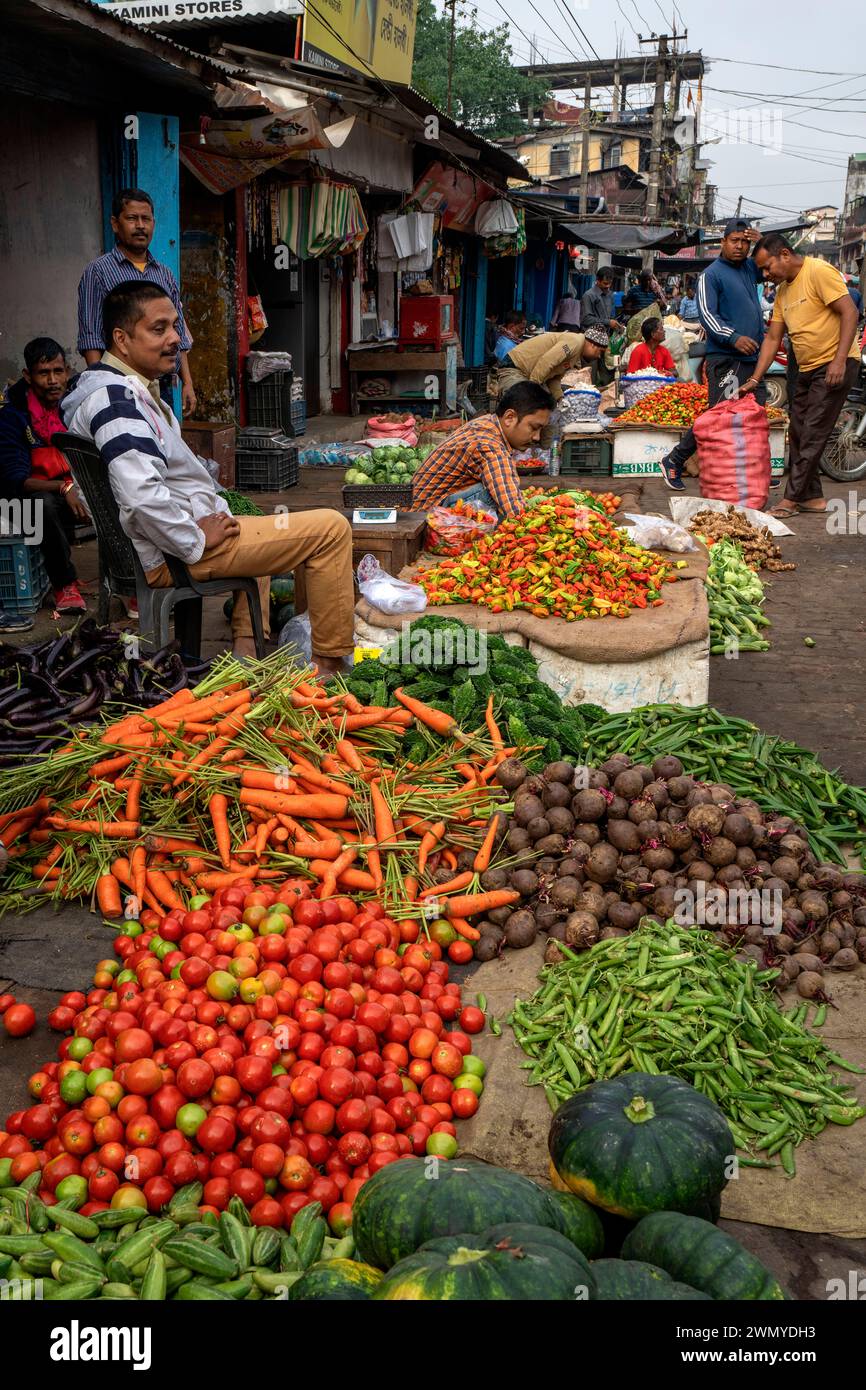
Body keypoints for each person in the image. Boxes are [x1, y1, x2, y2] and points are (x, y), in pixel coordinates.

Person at [63, 282, 354, 668]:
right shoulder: (116, 402)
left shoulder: (116, 391)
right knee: (331, 529)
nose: (175, 339)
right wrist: (196, 538)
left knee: (262, 523)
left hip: (167, 539)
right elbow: (140, 496)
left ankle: (247, 649)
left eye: (174, 327)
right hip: (173, 551)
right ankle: (329, 669)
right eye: (159, 329)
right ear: (122, 338)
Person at [747, 234, 860, 517]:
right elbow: (773, 338)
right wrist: (755, 379)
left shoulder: (818, 271)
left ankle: (790, 499)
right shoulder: (784, 291)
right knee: (797, 431)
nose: (766, 274)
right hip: (807, 367)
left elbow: (850, 313)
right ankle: (813, 497)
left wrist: (838, 361)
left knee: (812, 432)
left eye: (767, 266)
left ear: (785, 254)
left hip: (835, 364)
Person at [658, 218, 767, 490]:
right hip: (726, 358)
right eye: (735, 241)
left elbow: (770, 265)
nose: (740, 246)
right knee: (717, 415)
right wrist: (733, 337)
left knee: (755, 413)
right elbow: (707, 315)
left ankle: (751, 467)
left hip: (753, 360)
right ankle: (675, 459)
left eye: (745, 241)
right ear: (723, 242)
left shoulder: (749, 269)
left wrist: (762, 241)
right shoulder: (712, 274)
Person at [78, 189, 196, 416]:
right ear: (115, 223)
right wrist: (100, 387)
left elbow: (178, 332)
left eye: (146, 219)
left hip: (162, 384)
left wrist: (187, 382)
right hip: (122, 384)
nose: (140, 225)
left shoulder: (165, 275)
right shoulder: (98, 272)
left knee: (165, 444)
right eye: (132, 218)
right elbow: (91, 338)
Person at [0, 337, 89, 613]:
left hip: (69, 491)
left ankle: (129, 584)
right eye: (43, 373)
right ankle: (64, 585)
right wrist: (63, 488)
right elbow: (16, 481)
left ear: (68, 371)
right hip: (17, 505)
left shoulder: (73, 407)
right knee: (42, 504)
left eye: (58, 371)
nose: (53, 381)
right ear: (28, 376)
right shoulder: (13, 418)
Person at [411, 381, 555, 518]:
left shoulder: (487, 424)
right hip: (424, 520)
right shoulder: (489, 444)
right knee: (492, 495)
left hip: (422, 511)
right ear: (509, 417)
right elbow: (514, 510)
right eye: (534, 428)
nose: (537, 437)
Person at [495, 326, 609, 447]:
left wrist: (560, 399)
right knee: (522, 409)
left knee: (551, 412)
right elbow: (546, 362)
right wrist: (531, 391)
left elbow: (554, 378)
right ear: (592, 345)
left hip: (534, 377)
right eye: (600, 352)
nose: (598, 357)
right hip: (515, 369)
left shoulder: (576, 353)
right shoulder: (574, 342)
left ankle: (547, 452)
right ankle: (506, 450)